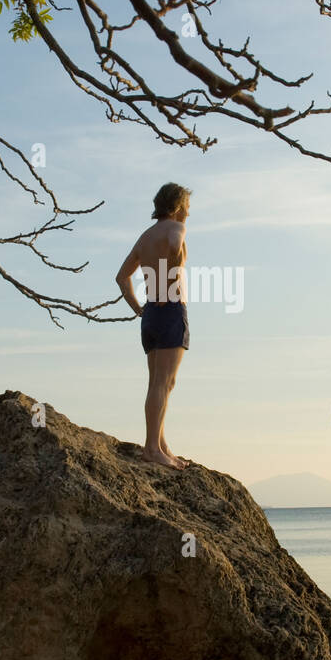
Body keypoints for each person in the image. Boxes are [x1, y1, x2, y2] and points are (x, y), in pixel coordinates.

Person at [115, 183, 191, 469]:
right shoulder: (176, 228)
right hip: (170, 308)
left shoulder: (144, 237)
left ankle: (159, 444)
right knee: (164, 383)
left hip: (150, 315)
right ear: (178, 206)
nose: (188, 213)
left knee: (158, 383)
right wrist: (170, 283)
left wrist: (138, 308)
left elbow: (122, 277)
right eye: (186, 207)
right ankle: (152, 449)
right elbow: (174, 249)